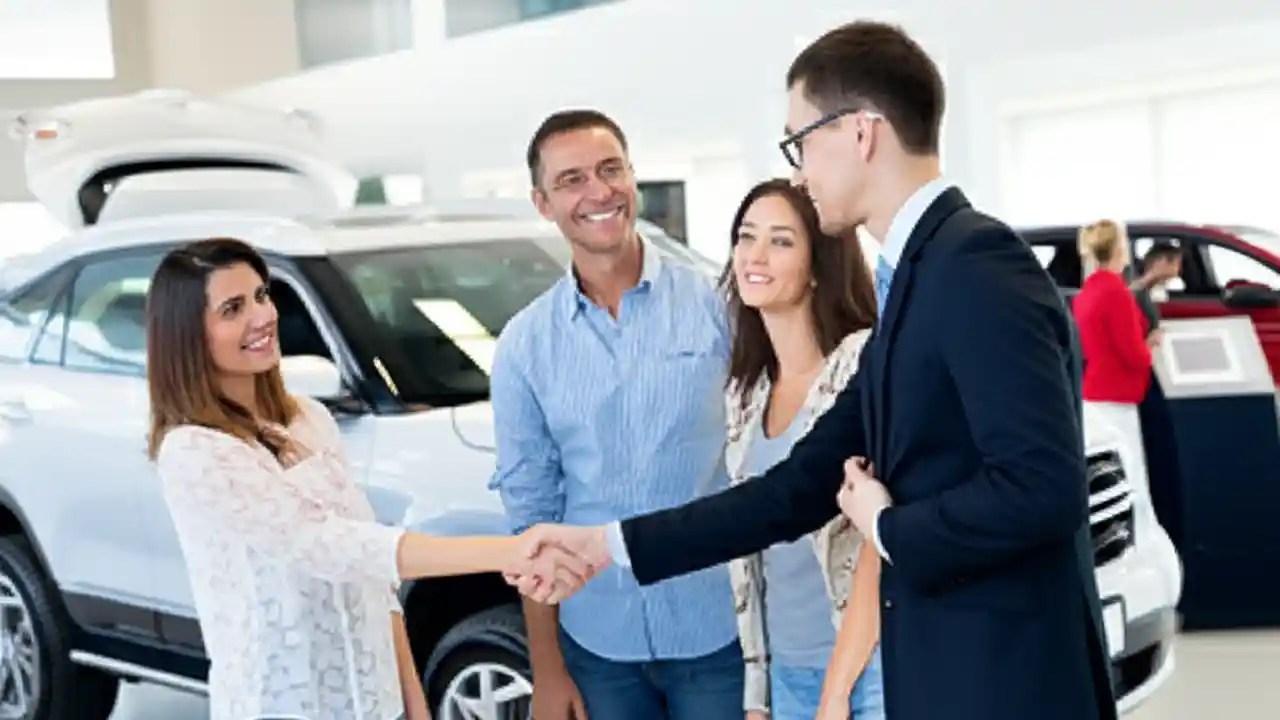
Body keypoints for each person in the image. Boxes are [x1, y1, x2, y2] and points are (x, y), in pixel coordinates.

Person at [513, 20, 1117, 720]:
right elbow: (792, 490)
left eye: (801, 141)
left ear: (860, 133)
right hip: (950, 673)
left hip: (1002, 682)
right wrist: (604, 544)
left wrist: (889, 529)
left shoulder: (977, 265)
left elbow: (1043, 488)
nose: (799, 170)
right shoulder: (917, 281)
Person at [146, 238, 583, 720]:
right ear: (188, 335)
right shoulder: (194, 451)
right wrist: (506, 550)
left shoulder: (308, 417)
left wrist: (413, 704)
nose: (262, 317)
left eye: (262, 295)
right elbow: (330, 545)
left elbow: (372, 572)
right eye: (233, 308)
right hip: (284, 704)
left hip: (373, 704)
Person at [488, 109, 744, 720]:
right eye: (572, 179)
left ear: (633, 177)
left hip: (717, 631)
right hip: (599, 641)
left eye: (610, 170)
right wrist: (547, 671)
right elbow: (532, 519)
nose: (598, 192)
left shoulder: (718, 307)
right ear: (543, 203)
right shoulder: (525, 345)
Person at [720, 178, 882, 720]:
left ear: (818, 265)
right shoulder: (746, 392)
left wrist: (837, 693)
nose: (755, 255)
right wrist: (759, 697)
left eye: (781, 241)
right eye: (746, 236)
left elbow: (874, 553)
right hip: (788, 675)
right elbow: (753, 562)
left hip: (866, 673)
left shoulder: (860, 368)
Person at [1074, 219, 1155, 520]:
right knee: (1134, 478)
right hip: (1117, 397)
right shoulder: (1115, 293)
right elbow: (1133, 354)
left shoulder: (1087, 294)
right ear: (1119, 250)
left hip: (1094, 395)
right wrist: (1153, 348)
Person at [1129, 237, 1182, 348]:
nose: (1177, 271)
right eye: (1175, 263)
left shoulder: (1157, 291)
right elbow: (1124, 297)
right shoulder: (1133, 281)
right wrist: (1151, 275)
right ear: (1160, 260)